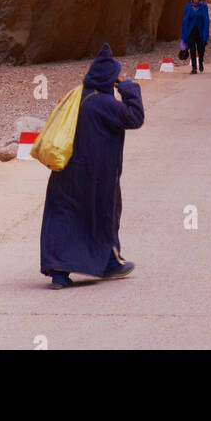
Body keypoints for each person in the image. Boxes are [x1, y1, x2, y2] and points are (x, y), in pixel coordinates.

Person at [40, 42, 144, 288]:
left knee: (64, 217)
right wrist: (129, 88)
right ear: (110, 79)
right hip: (96, 175)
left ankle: (59, 273)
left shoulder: (78, 96)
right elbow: (135, 117)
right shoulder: (103, 104)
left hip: (66, 171)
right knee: (102, 214)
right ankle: (108, 262)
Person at [181, 0, 210, 73]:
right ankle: (194, 68)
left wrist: (206, 33)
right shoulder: (188, 7)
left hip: (201, 33)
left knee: (201, 50)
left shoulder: (204, 7)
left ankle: (201, 62)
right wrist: (184, 35)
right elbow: (185, 21)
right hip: (191, 33)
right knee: (192, 51)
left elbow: (206, 20)